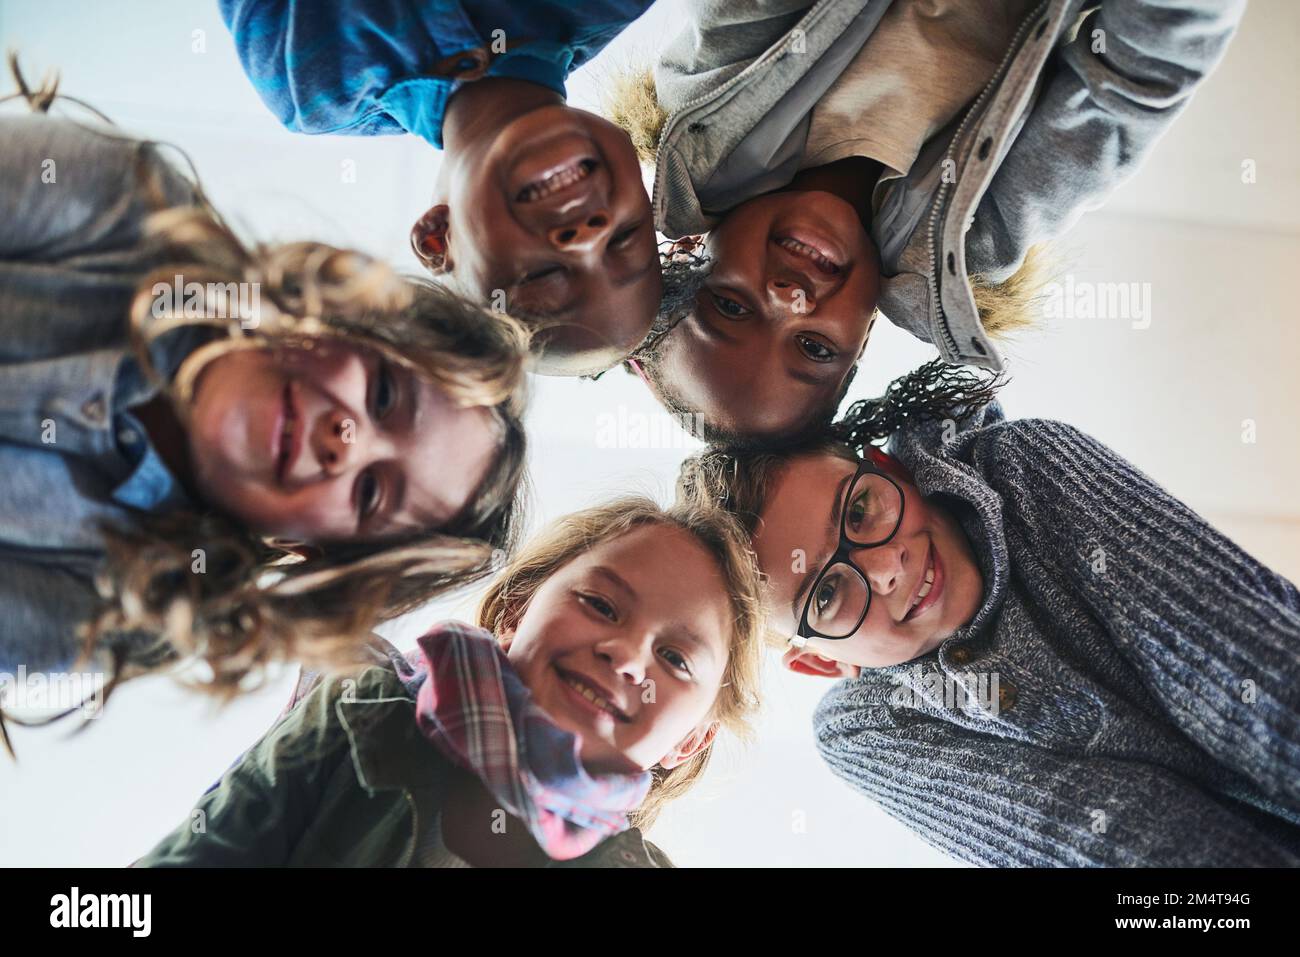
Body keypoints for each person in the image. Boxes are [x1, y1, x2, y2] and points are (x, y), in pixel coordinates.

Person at [0, 96, 528, 710]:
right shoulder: (128, 204)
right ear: (348, 322)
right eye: (384, 395)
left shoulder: (130, 616)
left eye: (370, 493)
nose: (345, 441)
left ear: (314, 549)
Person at [677, 361, 1300, 866]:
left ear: (889, 468)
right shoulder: (871, 729)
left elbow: (1253, 667)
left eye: (861, 511)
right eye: (826, 595)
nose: (884, 569)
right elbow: (1120, 851)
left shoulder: (1028, 467)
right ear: (819, 661)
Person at [611, 0, 1245, 444]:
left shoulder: (708, 119)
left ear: (686, 250)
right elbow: (1130, 85)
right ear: (861, 342)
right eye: (813, 347)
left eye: (731, 307)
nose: (789, 299)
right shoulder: (971, 239)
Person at [137, 496, 765, 867]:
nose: (626, 655)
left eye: (677, 659)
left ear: (692, 742)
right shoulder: (360, 711)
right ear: (518, 610)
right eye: (601, 606)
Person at [219, 0, 665, 377]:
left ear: (436, 238)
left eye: (543, 276)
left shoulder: (307, 90)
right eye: (624, 238)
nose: (587, 236)